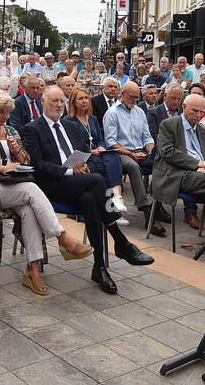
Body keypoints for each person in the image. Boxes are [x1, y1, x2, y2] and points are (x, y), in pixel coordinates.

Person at [22, 85, 154, 294]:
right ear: (43, 102)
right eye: (53, 101)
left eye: (61, 101)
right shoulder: (33, 128)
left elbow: (84, 154)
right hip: (52, 185)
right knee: (97, 181)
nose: (58, 105)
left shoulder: (71, 126)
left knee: (90, 200)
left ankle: (99, 266)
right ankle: (121, 242)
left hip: (77, 183)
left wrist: (82, 165)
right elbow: (39, 166)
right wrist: (69, 172)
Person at [0, 89, 92, 297]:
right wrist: (2, 168)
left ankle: (33, 270)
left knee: (30, 210)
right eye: (0, 112)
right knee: (32, 190)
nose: (4, 117)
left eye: (7, 112)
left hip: (12, 185)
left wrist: (17, 150)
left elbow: (27, 161)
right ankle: (62, 237)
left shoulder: (11, 131)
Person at [152, 95, 205, 268]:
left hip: (201, 175)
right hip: (177, 174)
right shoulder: (169, 125)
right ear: (184, 107)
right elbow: (167, 152)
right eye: (194, 110)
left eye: (201, 111)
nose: (198, 115)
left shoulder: (201, 129)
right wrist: (197, 164)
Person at [67, 86, 127, 216]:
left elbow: (100, 138)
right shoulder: (68, 121)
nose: (84, 101)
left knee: (113, 155)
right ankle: (108, 210)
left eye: (86, 98)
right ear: (73, 102)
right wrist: (90, 151)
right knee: (102, 169)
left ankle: (117, 197)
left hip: (98, 154)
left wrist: (101, 147)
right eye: (80, 99)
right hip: (84, 156)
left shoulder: (93, 118)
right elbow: (73, 143)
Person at [104, 80, 157, 221]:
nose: (134, 100)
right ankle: (146, 210)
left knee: (161, 162)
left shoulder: (139, 112)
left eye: (136, 97)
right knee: (133, 166)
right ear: (122, 94)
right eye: (131, 97)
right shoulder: (112, 113)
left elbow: (147, 137)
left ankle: (158, 205)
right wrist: (131, 154)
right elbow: (110, 142)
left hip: (140, 151)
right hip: (121, 153)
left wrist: (151, 151)